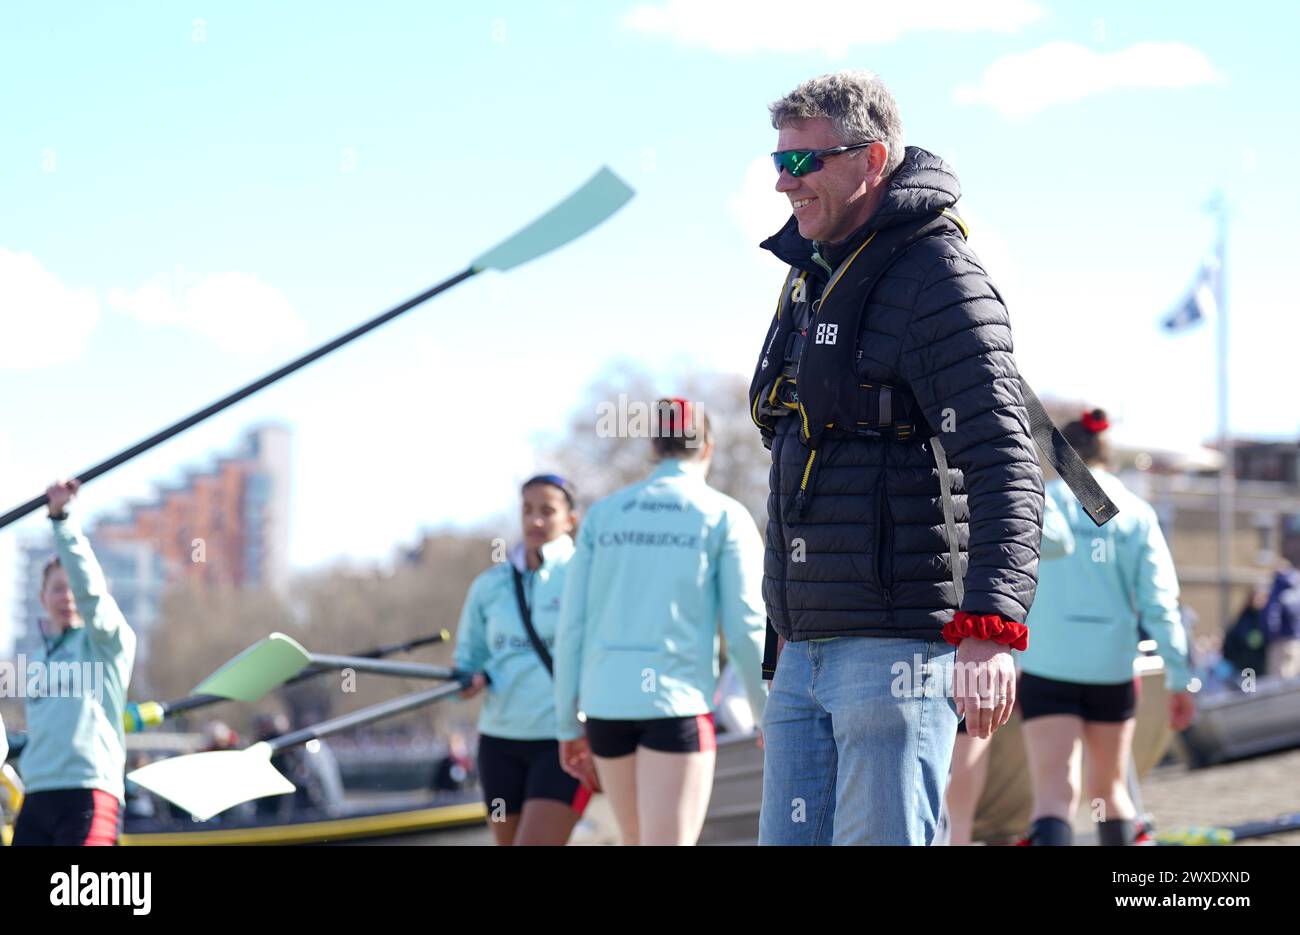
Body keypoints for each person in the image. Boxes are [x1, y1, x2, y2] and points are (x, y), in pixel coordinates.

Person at [750, 70, 1045, 846]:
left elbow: (1005, 457)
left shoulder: (938, 277)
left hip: (897, 649)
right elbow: (796, 464)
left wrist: (991, 628)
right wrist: (779, 646)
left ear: (870, 159)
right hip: (804, 651)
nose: (785, 181)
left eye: (805, 162)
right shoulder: (812, 275)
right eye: (778, 161)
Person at [554, 399, 768, 846]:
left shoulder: (604, 516)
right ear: (707, 447)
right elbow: (747, 626)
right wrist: (767, 711)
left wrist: (565, 724)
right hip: (676, 705)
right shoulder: (723, 515)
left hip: (606, 709)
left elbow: (572, 624)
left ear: (654, 446)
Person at [1017, 410, 1195, 846]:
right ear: (1106, 454)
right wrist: (1179, 677)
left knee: (1054, 796)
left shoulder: (1041, 500)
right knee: (1110, 792)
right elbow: (1160, 604)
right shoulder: (1137, 513)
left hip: (1046, 664)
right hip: (1112, 668)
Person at [454, 474, 593, 845]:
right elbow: (466, 661)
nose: (535, 521)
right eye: (527, 510)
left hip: (564, 742)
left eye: (547, 511)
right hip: (498, 745)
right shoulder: (489, 585)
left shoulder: (587, 574)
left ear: (571, 520)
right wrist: (468, 680)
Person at [944, 495, 1076, 846]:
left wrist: (1032, 473)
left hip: (976, 639)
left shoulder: (1000, 471)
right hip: (930, 634)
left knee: (959, 775)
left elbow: (1059, 542)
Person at [12, 480, 137, 846]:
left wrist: (62, 520)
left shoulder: (107, 642)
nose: (66, 596)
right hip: (36, 796)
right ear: (41, 597)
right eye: (56, 588)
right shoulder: (34, 661)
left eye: (72, 588)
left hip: (88, 793)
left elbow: (91, 593)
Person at [1222, 586, 1269, 682]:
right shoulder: (1244, 618)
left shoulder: (1268, 617)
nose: (1258, 600)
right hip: (1244, 666)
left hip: (1263, 665)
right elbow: (1232, 640)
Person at [1261, 565, 1300, 678]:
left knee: (1279, 683)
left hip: (1283, 641)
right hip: (1293, 641)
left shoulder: (1279, 591)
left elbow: (1271, 618)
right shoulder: (1294, 590)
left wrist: (1271, 635)